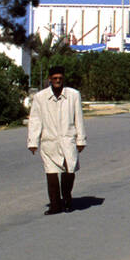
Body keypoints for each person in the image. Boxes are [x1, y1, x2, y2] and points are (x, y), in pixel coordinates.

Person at [27, 66, 87, 215]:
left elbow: (78, 118)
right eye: (55, 79)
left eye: (60, 78)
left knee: (69, 171)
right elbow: (35, 120)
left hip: (68, 139)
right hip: (49, 141)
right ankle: (55, 205)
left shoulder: (73, 95)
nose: (57, 81)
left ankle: (66, 197)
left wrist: (81, 139)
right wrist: (33, 142)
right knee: (51, 173)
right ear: (49, 79)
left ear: (63, 79)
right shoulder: (40, 97)